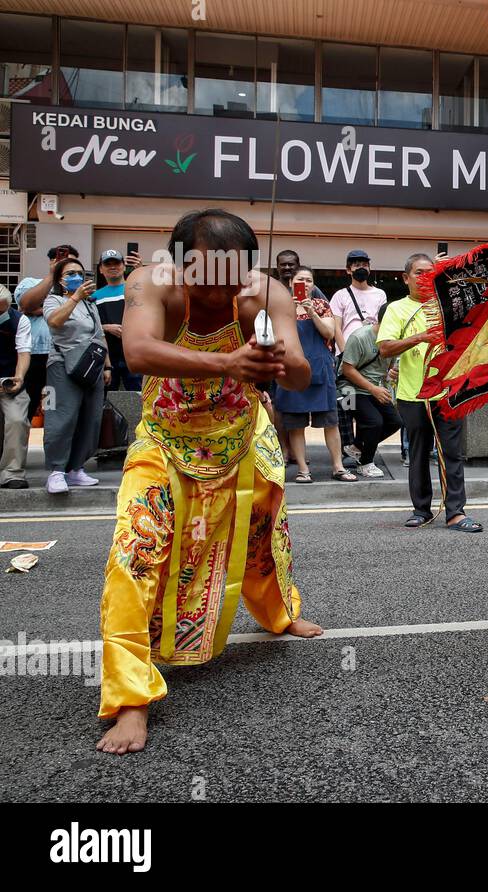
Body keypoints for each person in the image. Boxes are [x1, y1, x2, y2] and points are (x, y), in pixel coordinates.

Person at [97, 208, 323, 755]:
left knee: (263, 534)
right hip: (166, 440)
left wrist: (276, 360)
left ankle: (278, 612)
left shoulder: (265, 293)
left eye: (235, 278)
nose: (224, 294)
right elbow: (138, 351)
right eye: (208, 280)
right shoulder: (150, 283)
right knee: (135, 552)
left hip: (242, 435)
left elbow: (301, 373)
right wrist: (229, 362)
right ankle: (131, 699)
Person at [378, 253, 482, 532]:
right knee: (419, 453)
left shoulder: (449, 305)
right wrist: (420, 338)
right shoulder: (397, 309)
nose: (425, 278)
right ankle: (421, 510)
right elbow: (385, 348)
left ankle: (456, 513)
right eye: (419, 273)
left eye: (430, 273)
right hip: (413, 395)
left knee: (452, 453)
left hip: (448, 392)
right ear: (405, 278)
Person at [275, 266, 355, 483]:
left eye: (309, 280)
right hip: (291, 369)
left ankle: (338, 467)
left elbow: (329, 332)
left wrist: (311, 312)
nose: (306, 284)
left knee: (331, 421)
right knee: (296, 423)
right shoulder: (281, 306)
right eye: (301, 280)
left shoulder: (320, 304)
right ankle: (303, 469)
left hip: (320, 368)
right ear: (292, 283)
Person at [42, 257, 109, 494]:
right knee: (62, 418)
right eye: (70, 273)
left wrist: (107, 367)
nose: (77, 277)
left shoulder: (91, 304)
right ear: (60, 279)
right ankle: (56, 471)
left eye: (80, 273)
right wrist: (75, 297)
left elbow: (99, 335)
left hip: (91, 366)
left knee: (91, 419)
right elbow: (55, 321)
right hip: (62, 365)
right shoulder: (54, 300)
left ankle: (76, 468)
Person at [16, 245, 79, 423]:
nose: (68, 266)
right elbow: (27, 304)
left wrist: (41, 309)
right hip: (35, 354)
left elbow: (74, 314)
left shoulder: (77, 289)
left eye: (72, 262)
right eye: (62, 261)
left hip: (66, 355)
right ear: (52, 261)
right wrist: (53, 275)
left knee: (61, 409)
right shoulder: (31, 282)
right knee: (26, 407)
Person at [339, 302, 400, 478]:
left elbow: (384, 368)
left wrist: (389, 374)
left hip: (374, 388)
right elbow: (347, 370)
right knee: (374, 422)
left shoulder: (393, 339)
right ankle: (366, 462)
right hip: (348, 390)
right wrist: (373, 389)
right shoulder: (359, 337)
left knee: (395, 421)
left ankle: (357, 447)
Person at [92, 249, 144, 391]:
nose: (113, 267)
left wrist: (140, 270)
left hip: (135, 353)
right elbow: (89, 326)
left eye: (117, 263)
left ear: (123, 266)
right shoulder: (94, 296)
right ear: (101, 269)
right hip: (108, 358)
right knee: (108, 401)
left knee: (138, 396)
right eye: (108, 264)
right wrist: (106, 327)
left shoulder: (137, 289)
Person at [0, 287, 32, 488]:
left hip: (9, 379)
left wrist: (19, 377)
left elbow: (23, 352)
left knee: (17, 420)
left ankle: (13, 473)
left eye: (2, 310)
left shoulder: (20, 320)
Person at [330, 249, 387, 355]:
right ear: (348, 270)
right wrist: (344, 353)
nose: (361, 268)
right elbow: (336, 328)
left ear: (369, 269)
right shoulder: (340, 295)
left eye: (365, 265)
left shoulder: (380, 294)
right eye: (357, 265)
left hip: (372, 351)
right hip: (348, 350)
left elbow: (382, 324)